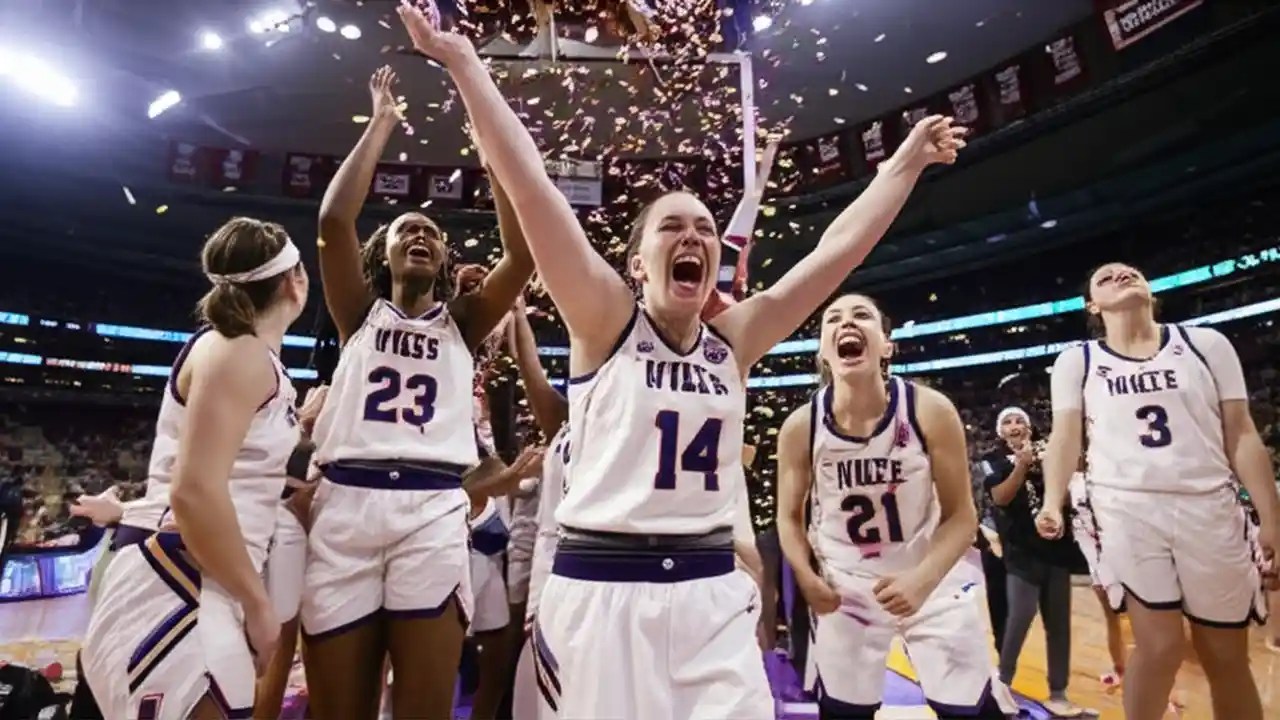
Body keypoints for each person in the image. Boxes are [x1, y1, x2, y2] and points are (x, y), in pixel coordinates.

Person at [396, 4, 965, 715]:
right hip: (603, 589)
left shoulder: (735, 340)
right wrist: (464, 62)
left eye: (704, 226)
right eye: (673, 225)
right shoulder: (605, 319)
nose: (693, 234)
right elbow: (534, 186)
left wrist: (903, 166)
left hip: (708, 590)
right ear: (638, 263)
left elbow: (835, 252)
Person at [302, 61, 533, 720]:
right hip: (346, 505)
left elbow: (522, 259)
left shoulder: (461, 322)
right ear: (385, 255)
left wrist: (493, 161)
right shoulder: (357, 312)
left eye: (433, 232)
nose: (423, 235)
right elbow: (332, 222)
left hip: (431, 507)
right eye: (408, 229)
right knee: (337, 710)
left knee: (424, 708)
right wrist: (380, 125)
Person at [80, 216, 309, 720]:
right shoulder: (239, 351)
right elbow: (194, 492)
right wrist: (258, 604)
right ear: (296, 281)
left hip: (192, 568)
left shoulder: (246, 354)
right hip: (185, 573)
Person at [1037, 262, 1280, 720]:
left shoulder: (1206, 344)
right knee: (1160, 646)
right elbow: (1065, 435)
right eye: (1105, 279)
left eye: (1130, 273)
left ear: (1151, 291)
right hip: (1126, 509)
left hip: (1209, 507)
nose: (1121, 277)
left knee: (1226, 657)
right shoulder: (1078, 359)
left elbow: (1242, 434)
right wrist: (1053, 499)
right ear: (1092, 306)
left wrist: (1272, 518)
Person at [776, 293, 1016, 719]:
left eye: (861, 315)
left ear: (886, 345)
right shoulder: (801, 426)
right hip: (846, 588)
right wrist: (805, 575)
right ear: (823, 350)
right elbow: (788, 518)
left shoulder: (929, 408)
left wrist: (922, 579)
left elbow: (962, 516)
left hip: (930, 578)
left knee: (973, 711)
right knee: (844, 712)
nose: (846, 322)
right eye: (833, 318)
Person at [981, 407, 1084, 717]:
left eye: (1020, 421)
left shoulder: (1051, 452)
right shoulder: (993, 460)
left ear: (1029, 427)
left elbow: (1066, 492)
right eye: (1008, 422)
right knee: (1019, 619)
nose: (1015, 426)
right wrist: (1021, 467)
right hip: (1020, 553)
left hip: (1057, 549)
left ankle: (1058, 693)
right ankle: (1003, 684)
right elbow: (1001, 496)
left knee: (1059, 625)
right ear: (1001, 432)